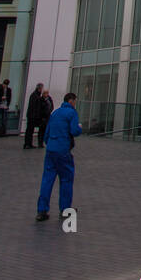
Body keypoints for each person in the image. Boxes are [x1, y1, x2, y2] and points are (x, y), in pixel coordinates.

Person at [36, 92, 81, 220]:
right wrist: (79, 128)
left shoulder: (55, 113)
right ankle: (65, 209)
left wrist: (49, 144)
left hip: (51, 149)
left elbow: (47, 133)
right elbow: (74, 131)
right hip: (62, 150)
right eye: (75, 101)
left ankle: (42, 210)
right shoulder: (72, 113)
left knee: (47, 180)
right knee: (66, 179)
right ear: (71, 101)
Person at [23, 83, 45, 149]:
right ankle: (27, 144)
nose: (42, 90)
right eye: (41, 88)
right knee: (29, 130)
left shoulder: (36, 95)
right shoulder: (35, 95)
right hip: (32, 116)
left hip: (32, 116)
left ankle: (29, 143)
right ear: (39, 88)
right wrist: (36, 116)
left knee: (30, 130)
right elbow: (34, 107)